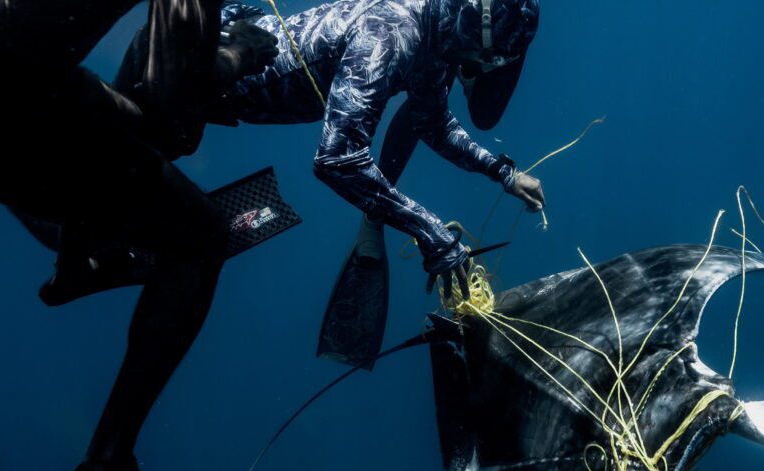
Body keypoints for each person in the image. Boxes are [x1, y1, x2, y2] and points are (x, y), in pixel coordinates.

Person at [0, 0, 277, 471]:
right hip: (14, 101)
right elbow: (171, 95)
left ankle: (75, 268)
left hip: (12, 100)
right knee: (199, 235)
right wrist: (239, 53)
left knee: (110, 126)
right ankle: (108, 458)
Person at [202, 0, 546, 295]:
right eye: (484, 59)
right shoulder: (389, 36)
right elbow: (337, 159)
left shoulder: (431, 36)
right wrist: (430, 231)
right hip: (206, 71)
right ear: (470, 27)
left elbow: (435, 124)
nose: (476, 68)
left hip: (229, 67)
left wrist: (504, 174)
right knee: (203, 231)